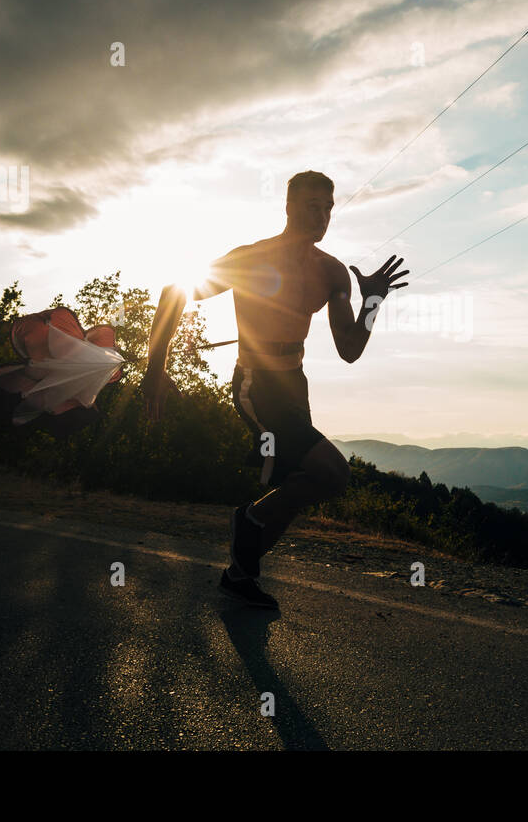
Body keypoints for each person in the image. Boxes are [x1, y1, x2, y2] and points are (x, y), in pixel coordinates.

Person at [144, 170, 408, 608]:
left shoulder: (332, 271)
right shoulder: (253, 257)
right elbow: (175, 290)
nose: (322, 214)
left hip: (294, 384)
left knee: (299, 485)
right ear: (288, 207)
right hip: (255, 382)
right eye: (312, 205)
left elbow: (349, 349)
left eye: (328, 206)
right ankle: (247, 523)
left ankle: (240, 573)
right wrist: (157, 366)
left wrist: (372, 300)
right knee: (332, 472)